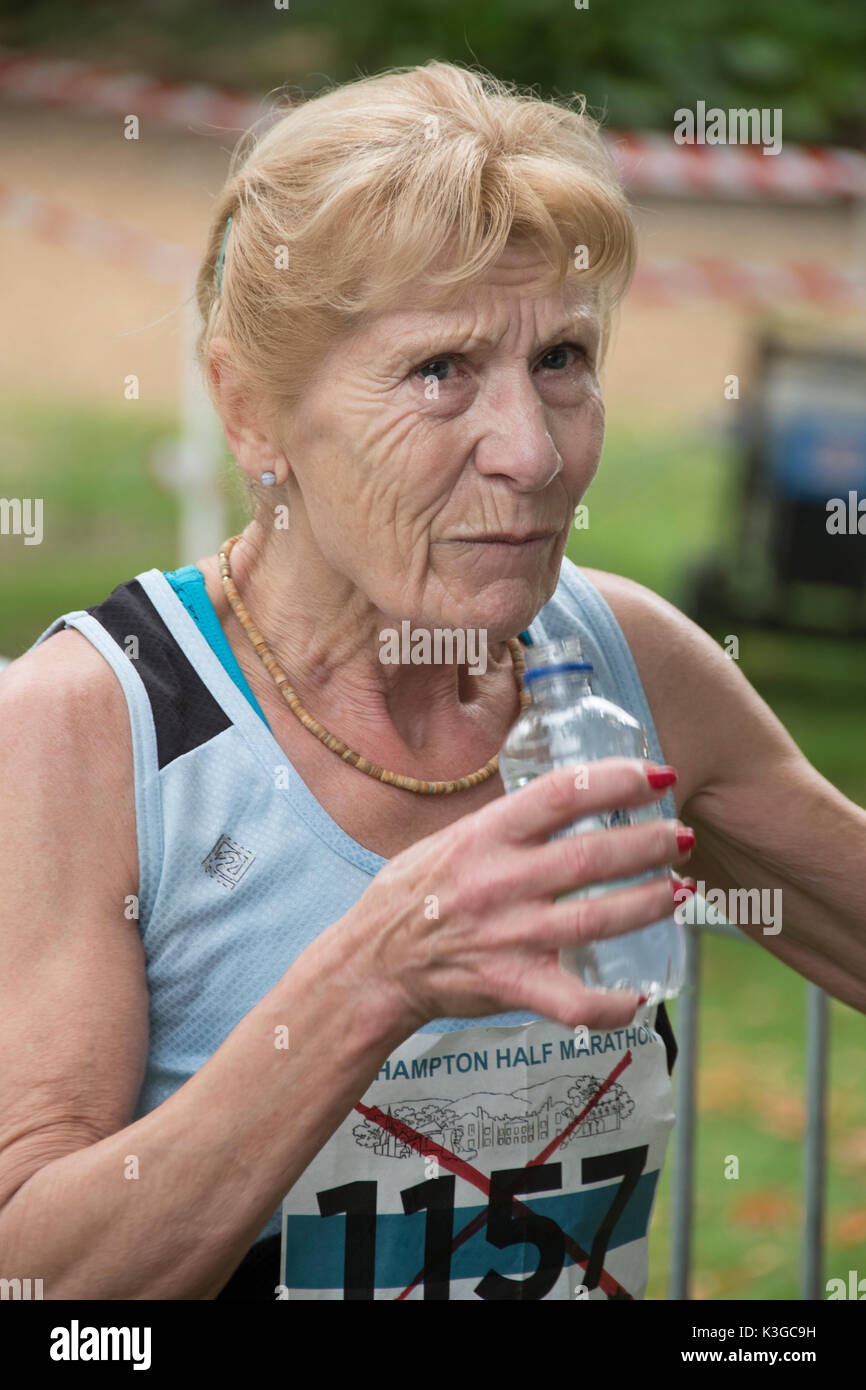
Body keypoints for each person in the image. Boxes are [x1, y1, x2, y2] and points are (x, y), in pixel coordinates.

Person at [1, 61, 863, 1303]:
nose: (531, 450)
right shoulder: (97, 722)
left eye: (561, 357)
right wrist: (374, 974)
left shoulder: (631, 660)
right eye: (438, 371)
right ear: (250, 411)